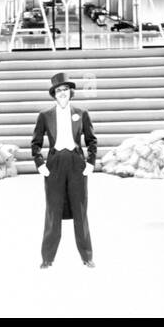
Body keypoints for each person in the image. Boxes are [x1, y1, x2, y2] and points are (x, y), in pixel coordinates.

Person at [32, 72, 97, 268]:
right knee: (53, 210)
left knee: (80, 209)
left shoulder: (82, 113)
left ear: (71, 92)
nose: (62, 93)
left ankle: (87, 256)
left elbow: (91, 140)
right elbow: (35, 143)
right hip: (55, 164)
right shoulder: (45, 115)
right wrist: (40, 164)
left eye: (65, 90)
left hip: (76, 163)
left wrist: (90, 162)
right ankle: (47, 258)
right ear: (54, 93)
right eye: (58, 90)